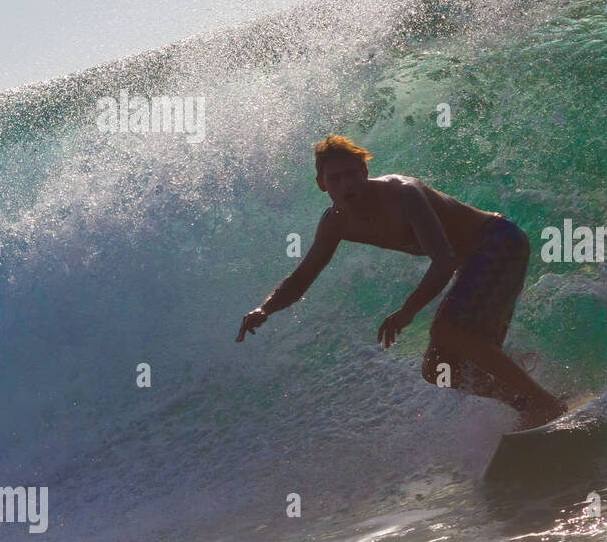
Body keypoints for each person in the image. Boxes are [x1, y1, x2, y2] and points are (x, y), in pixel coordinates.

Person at [236, 134, 567, 430]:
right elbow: (300, 280)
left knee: (448, 331)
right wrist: (264, 309)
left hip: (499, 243)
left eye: (352, 174)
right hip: (473, 262)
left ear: (364, 173)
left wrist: (407, 311)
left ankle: (546, 404)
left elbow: (444, 260)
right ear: (321, 184)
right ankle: (527, 401)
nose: (346, 184)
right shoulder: (335, 224)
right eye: (335, 179)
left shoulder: (403, 194)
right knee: (439, 367)